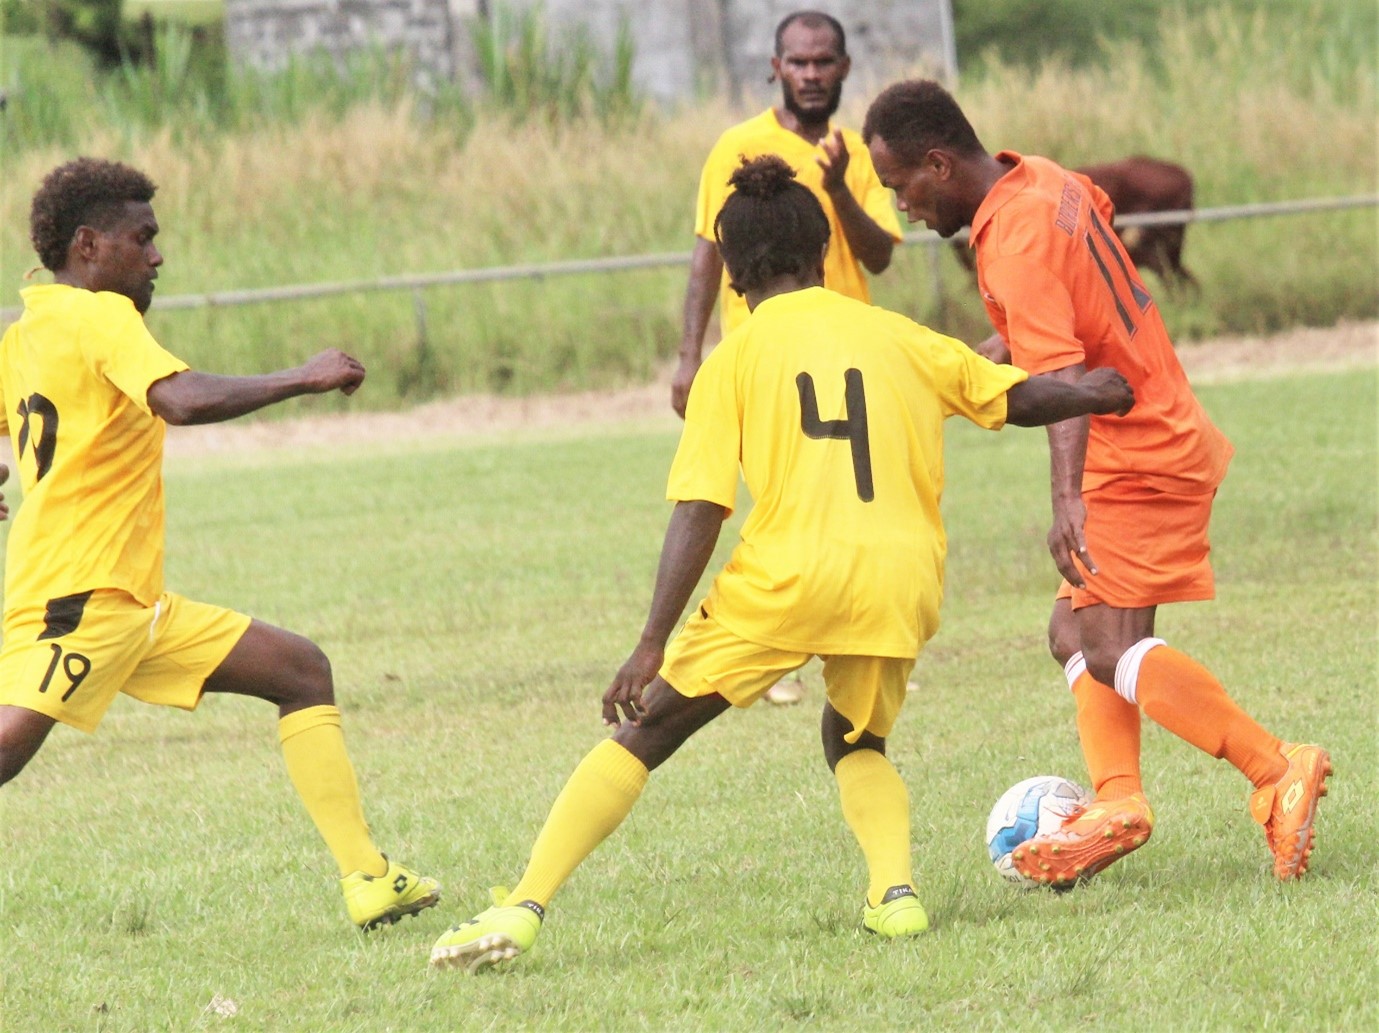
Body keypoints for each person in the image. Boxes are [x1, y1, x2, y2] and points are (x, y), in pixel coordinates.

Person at [429, 155, 1135, 973]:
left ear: (732, 276)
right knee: (856, 741)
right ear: (822, 253)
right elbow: (1013, 397)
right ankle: (894, 895)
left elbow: (699, 507)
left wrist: (651, 640)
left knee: (644, 732)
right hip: (896, 578)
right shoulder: (898, 333)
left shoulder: (734, 357)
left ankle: (522, 905)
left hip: (787, 577)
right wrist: (1090, 391)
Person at [862, 79, 1331, 887]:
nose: (900, 205)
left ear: (936, 164)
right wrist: (949, 382)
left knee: (1108, 643)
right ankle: (1118, 800)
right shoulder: (1041, 178)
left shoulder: (1010, 238)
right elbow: (1071, 278)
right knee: (1071, 635)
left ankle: (1275, 766)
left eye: (898, 185)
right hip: (1150, 432)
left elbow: (1064, 372)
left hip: (1137, 452)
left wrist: (1064, 500)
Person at [0, 157, 441, 930]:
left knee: (301, 670)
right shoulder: (103, 318)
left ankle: (368, 877)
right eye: (144, 238)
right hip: (82, 595)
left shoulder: (27, 325)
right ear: (89, 244)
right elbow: (181, 399)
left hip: (133, 603)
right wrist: (301, 378)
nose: (158, 256)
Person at [675, 10, 902, 706]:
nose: (810, 74)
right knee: (775, 502)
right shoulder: (736, 146)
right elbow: (707, 254)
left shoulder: (858, 153)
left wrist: (835, 187)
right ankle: (774, 650)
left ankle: (862, 640)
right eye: (797, 63)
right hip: (763, 355)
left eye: (822, 62)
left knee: (852, 498)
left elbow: (880, 254)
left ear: (843, 68)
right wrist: (689, 353)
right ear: (775, 68)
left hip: (846, 352)